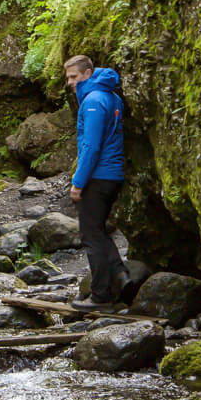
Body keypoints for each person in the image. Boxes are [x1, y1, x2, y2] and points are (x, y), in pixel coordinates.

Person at [65, 55, 128, 311]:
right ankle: (121, 277)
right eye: (68, 78)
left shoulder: (93, 101)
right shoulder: (112, 96)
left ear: (88, 74)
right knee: (98, 231)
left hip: (98, 176)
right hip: (113, 175)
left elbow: (91, 146)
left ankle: (100, 296)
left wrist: (78, 183)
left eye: (74, 77)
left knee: (91, 235)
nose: (70, 82)